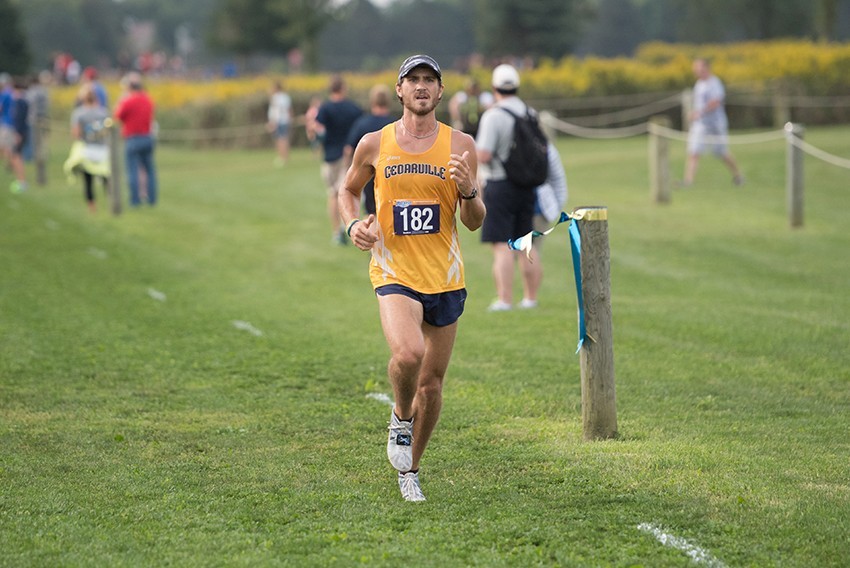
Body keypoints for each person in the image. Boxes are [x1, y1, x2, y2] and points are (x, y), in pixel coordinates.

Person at [338, 54, 485, 502]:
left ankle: (411, 470)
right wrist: (352, 225)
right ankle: (400, 417)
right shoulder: (374, 144)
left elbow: (475, 221)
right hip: (394, 268)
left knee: (433, 384)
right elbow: (348, 190)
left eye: (429, 81)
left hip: (444, 276)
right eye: (413, 80)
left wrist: (470, 190)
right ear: (399, 90)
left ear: (440, 93)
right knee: (407, 354)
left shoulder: (461, 146)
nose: (421, 87)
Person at [475, 63, 540, 312]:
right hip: (526, 185)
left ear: (494, 88)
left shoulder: (494, 115)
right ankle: (530, 298)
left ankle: (504, 299)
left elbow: (483, 154)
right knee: (526, 242)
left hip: (500, 184)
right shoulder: (529, 112)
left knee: (502, 245)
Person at [315, 76, 362, 244]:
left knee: (333, 194)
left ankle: (336, 231)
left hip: (330, 156)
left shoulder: (325, 108)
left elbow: (318, 129)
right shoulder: (354, 109)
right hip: (350, 156)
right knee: (349, 192)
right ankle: (347, 226)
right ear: (342, 88)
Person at [682, 58, 743, 187]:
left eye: (698, 68)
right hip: (701, 125)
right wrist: (695, 113)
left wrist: (700, 112)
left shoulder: (714, 83)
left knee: (721, 152)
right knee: (694, 151)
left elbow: (715, 102)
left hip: (716, 124)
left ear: (706, 68)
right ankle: (688, 181)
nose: (696, 71)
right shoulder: (698, 84)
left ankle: (738, 176)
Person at [523, 142, 568, 308]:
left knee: (530, 251)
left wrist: (556, 206)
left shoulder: (545, 149)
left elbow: (558, 179)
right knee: (526, 252)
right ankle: (527, 297)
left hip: (538, 208)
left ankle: (530, 297)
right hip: (520, 207)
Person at [343, 84, 396, 216]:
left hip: (368, 176)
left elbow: (348, 149)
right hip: (392, 176)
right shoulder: (395, 126)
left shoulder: (361, 124)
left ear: (372, 101)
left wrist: (348, 169)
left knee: (371, 214)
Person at [64, 83, 110, 213]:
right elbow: (108, 131)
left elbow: (76, 134)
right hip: (102, 150)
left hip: (87, 150)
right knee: (106, 178)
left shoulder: (78, 113)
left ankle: (92, 207)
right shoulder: (103, 112)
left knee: (88, 180)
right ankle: (111, 202)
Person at [114, 72, 158, 207]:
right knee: (149, 170)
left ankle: (135, 200)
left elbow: (117, 116)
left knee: (133, 170)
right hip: (147, 137)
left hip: (133, 138)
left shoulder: (128, 101)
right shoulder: (148, 100)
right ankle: (152, 199)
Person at [8, 77, 30, 194]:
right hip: (23, 131)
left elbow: (18, 119)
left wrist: (17, 133)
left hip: (19, 132)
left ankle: (22, 182)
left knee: (17, 157)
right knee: (16, 156)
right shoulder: (24, 100)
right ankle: (21, 181)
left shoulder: (18, 101)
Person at [267, 80, 292, 167]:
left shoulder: (275, 97)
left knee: (280, 139)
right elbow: (289, 110)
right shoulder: (285, 96)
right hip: (285, 120)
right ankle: (285, 157)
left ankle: (282, 157)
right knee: (284, 138)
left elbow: (275, 112)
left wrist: (272, 122)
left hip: (278, 121)